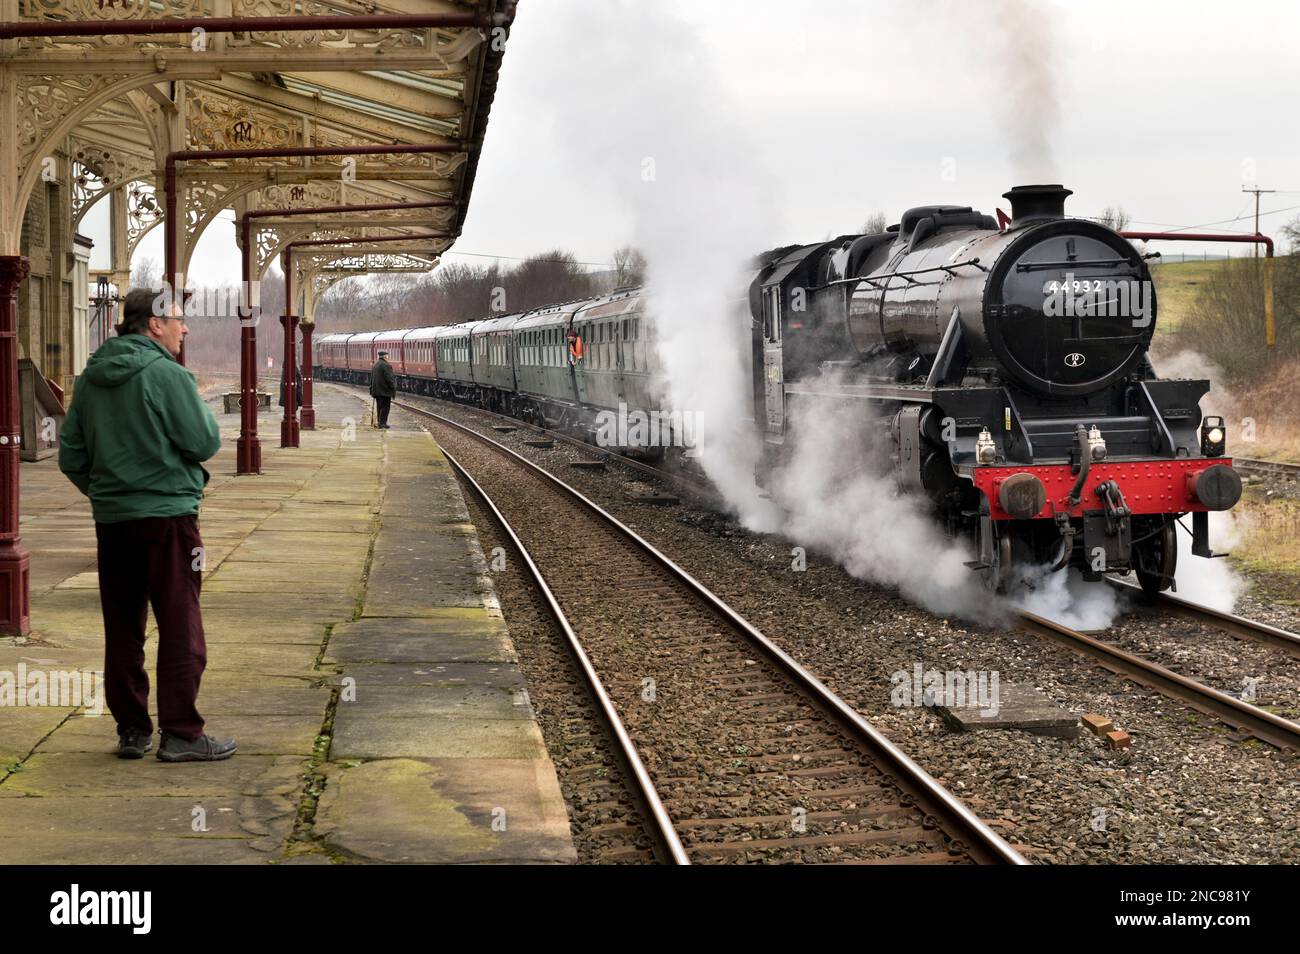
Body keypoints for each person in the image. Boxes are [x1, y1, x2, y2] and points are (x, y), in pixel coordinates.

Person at [58, 288, 236, 763]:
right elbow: (204, 441)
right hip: (169, 520)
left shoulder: (91, 379)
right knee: (180, 624)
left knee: (122, 627)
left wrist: (106, 492)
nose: (186, 327)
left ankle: (132, 729)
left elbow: (71, 454)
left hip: (113, 523)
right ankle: (181, 733)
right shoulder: (167, 374)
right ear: (154, 324)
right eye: (179, 319)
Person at [369, 349, 397, 428]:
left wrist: (371, 389)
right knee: (385, 407)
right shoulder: (386, 365)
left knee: (379, 407)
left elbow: (371, 378)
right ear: (385, 357)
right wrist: (393, 387)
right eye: (387, 356)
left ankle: (379, 422)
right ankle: (382, 423)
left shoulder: (375, 364)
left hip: (376, 390)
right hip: (384, 391)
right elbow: (390, 378)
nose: (388, 358)